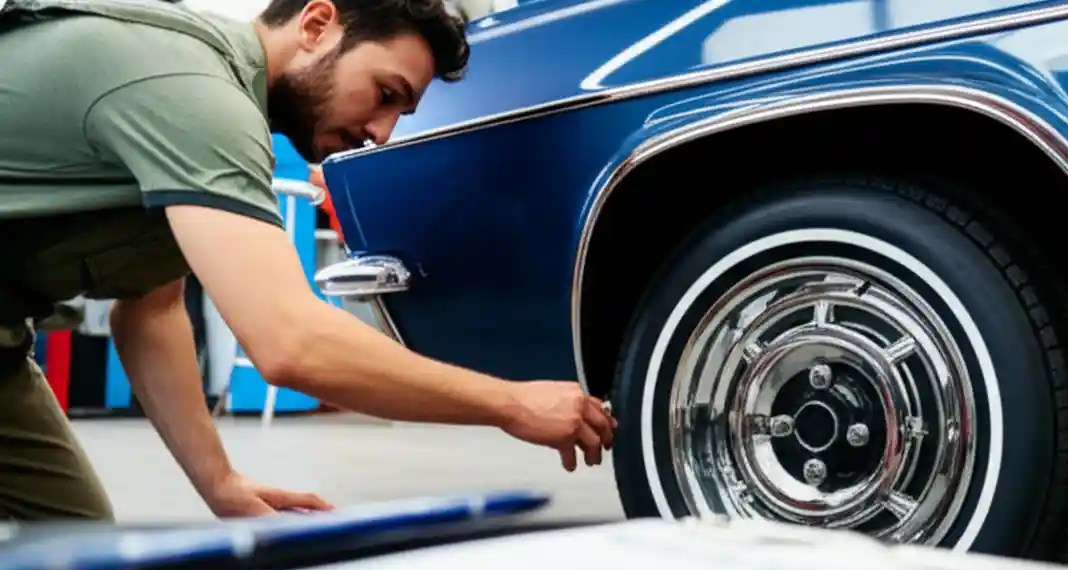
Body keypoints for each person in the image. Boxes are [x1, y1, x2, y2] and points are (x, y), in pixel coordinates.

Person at [0, 0, 616, 521]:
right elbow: (290, 343)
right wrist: (510, 404)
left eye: (399, 115)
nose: (382, 132)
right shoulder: (196, 94)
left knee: (74, 555)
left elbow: (152, 311)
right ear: (317, 25)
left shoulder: (206, 105)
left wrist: (220, 482)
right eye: (384, 94)